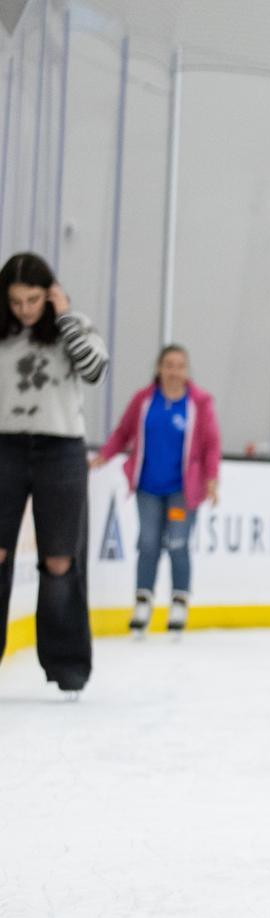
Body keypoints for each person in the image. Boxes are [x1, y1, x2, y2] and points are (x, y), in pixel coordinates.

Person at [0, 253, 108, 691]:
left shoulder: (74, 327)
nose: (25, 309)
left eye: (33, 299)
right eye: (15, 301)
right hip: (4, 446)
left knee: (60, 560)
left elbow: (95, 370)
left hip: (61, 449)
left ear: (50, 294)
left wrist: (62, 314)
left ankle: (67, 665)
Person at [92, 345, 222, 635]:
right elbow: (123, 432)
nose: (173, 371)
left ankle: (179, 601)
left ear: (186, 370)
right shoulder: (144, 400)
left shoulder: (199, 403)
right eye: (168, 365)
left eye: (179, 365)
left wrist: (212, 479)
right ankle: (143, 601)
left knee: (177, 543)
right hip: (148, 487)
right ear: (159, 368)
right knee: (148, 543)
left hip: (182, 489)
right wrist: (104, 455)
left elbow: (211, 444)